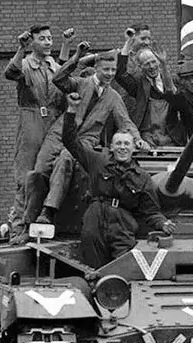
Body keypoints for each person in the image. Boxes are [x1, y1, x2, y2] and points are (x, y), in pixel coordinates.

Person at [13, 44, 144, 242]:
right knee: (37, 174)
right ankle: (27, 226)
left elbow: (125, 122)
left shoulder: (114, 97)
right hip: (59, 133)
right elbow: (58, 79)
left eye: (113, 70)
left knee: (66, 159)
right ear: (97, 68)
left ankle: (49, 212)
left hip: (83, 141)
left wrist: (138, 139)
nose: (109, 74)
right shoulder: (81, 83)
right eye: (106, 69)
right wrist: (77, 57)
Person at [60, 92, 176, 267]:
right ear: (112, 147)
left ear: (132, 148)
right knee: (93, 262)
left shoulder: (142, 177)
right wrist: (71, 111)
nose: (122, 148)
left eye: (126, 144)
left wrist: (163, 223)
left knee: (124, 265)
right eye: (119, 144)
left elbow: (151, 211)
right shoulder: (97, 160)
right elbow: (70, 141)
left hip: (123, 221)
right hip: (96, 214)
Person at [4, 24, 67, 240]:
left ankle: (45, 222)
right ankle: (19, 229)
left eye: (50, 38)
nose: (48, 42)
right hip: (32, 120)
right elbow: (10, 72)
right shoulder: (25, 64)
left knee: (50, 169)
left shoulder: (53, 66)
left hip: (53, 120)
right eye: (43, 39)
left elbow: (65, 77)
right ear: (32, 42)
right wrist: (20, 49)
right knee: (27, 176)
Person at [115, 37, 177, 146]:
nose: (152, 67)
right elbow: (120, 75)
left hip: (171, 136)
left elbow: (171, 93)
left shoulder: (170, 80)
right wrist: (128, 43)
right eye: (147, 64)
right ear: (140, 66)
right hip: (147, 137)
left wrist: (164, 63)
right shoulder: (138, 83)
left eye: (153, 62)